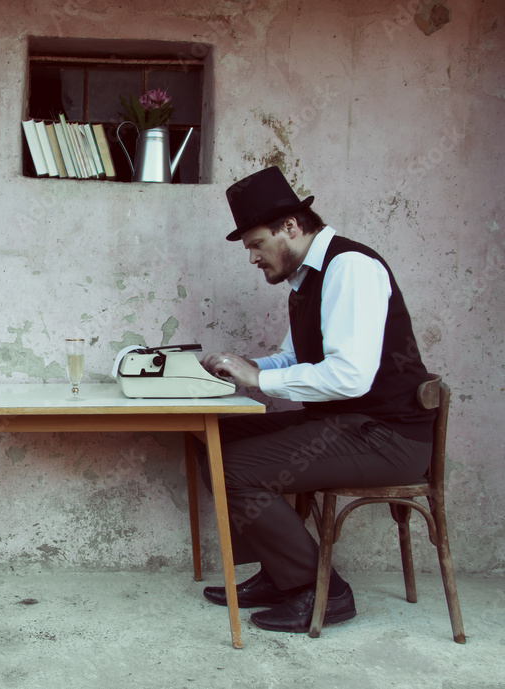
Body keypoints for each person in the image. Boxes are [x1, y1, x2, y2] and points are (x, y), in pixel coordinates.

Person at [197, 165, 435, 633]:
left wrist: (258, 381)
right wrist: (244, 369)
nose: (251, 257)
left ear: (291, 226)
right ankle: (281, 572)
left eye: (255, 244)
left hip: (387, 438)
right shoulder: (305, 279)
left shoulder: (350, 268)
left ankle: (318, 591)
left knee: (231, 467)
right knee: (213, 435)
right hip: (348, 427)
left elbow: (350, 377)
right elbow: (292, 358)